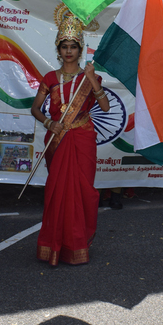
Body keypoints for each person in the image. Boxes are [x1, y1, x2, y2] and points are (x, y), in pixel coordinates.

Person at [29, 15, 108, 265]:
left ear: (80, 49)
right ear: (58, 49)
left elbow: (104, 107)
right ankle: (54, 245)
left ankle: (77, 242)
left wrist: (92, 77)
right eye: (64, 46)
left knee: (84, 192)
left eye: (73, 46)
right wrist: (49, 122)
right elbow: (35, 109)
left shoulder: (89, 77)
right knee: (57, 192)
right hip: (58, 139)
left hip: (82, 138)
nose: (69, 51)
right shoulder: (50, 78)